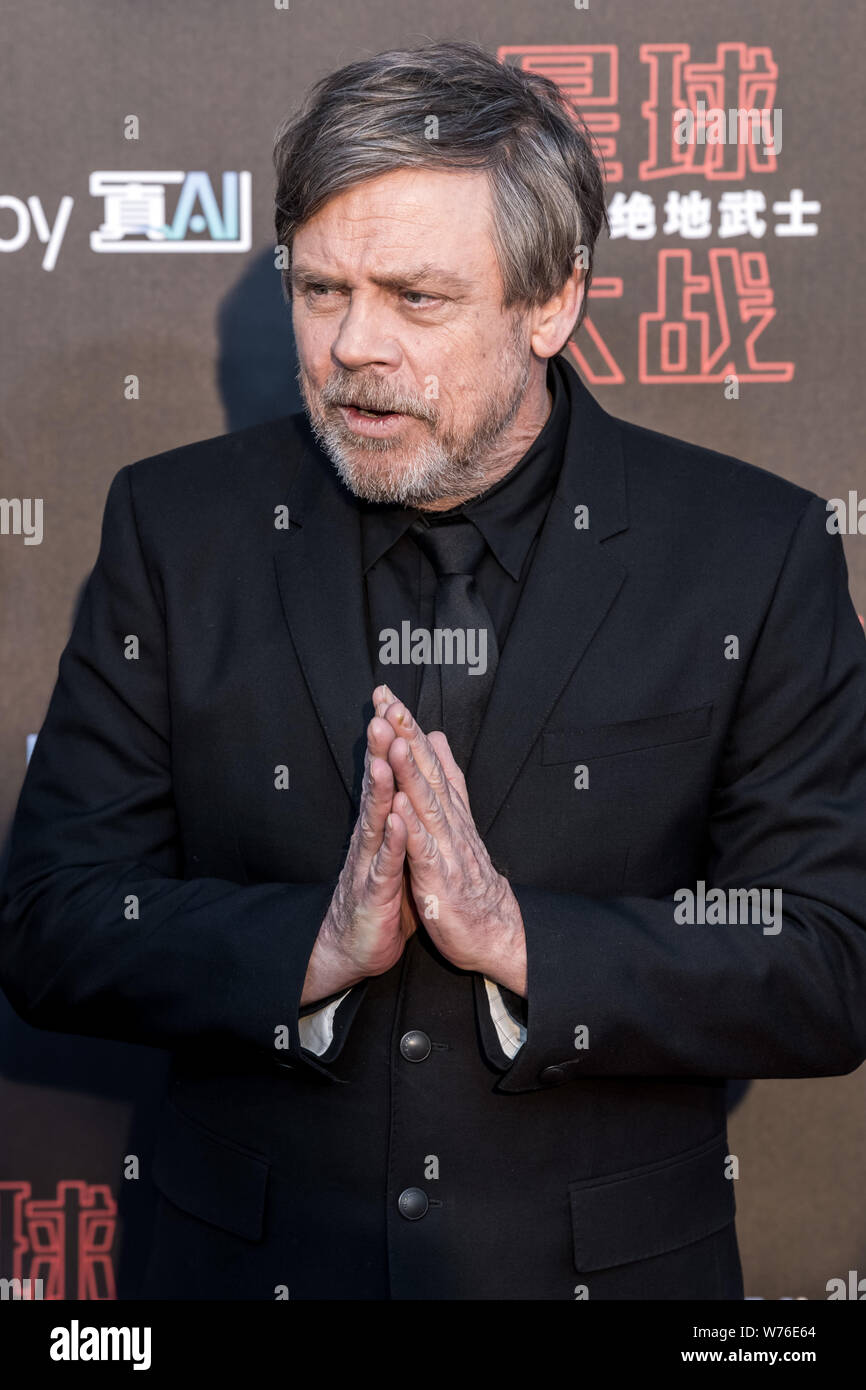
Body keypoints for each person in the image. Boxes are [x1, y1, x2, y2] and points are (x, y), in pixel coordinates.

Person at [2, 41, 865, 1301]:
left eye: (415, 299)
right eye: (320, 290)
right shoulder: (176, 530)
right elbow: (51, 921)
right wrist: (309, 944)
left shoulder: (747, 553)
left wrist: (525, 941)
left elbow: (828, 958)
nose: (353, 345)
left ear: (551, 303)